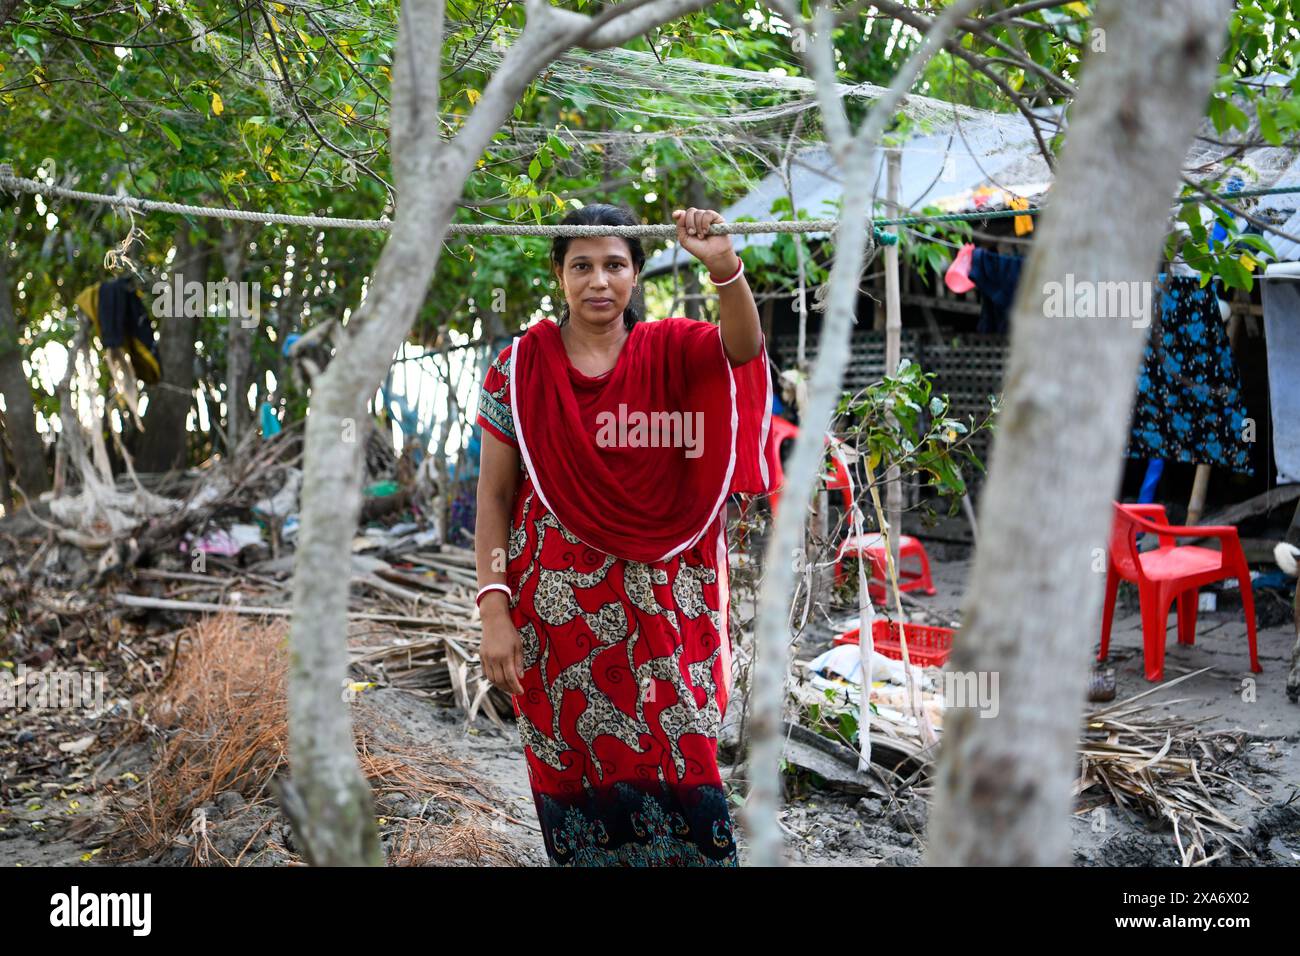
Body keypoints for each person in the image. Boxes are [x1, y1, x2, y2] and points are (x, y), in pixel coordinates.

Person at [473, 202, 775, 866]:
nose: (598, 281)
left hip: (667, 604)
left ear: (636, 274)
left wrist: (724, 267)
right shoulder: (519, 369)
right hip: (556, 617)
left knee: (683, 744)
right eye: (581, 266)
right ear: (559, 274)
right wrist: (494, 607)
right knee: (574, 760)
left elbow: (744, 349)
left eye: (615, 265)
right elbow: (493, 495)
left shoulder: (674, 349)